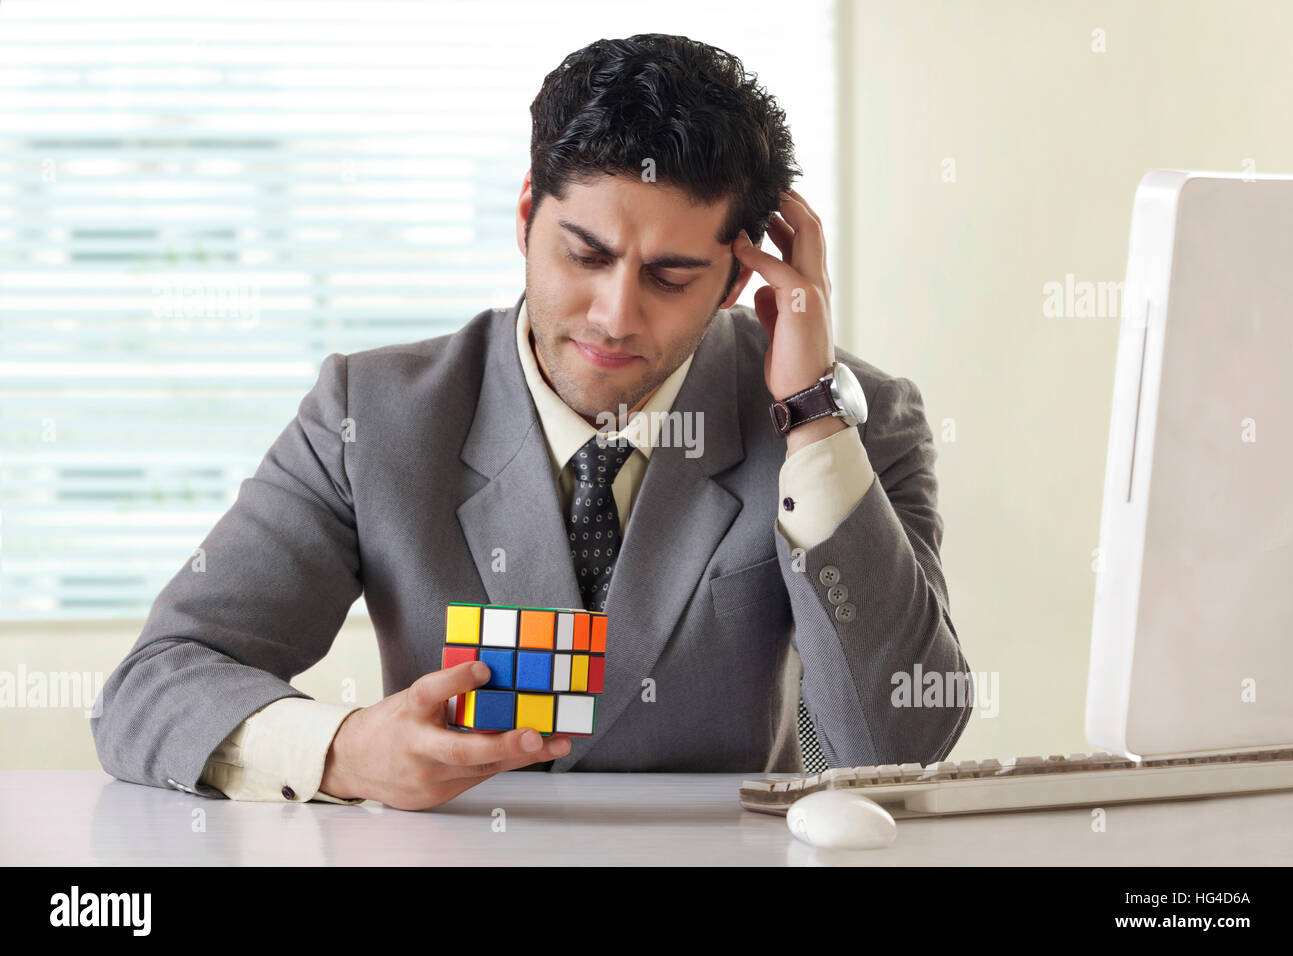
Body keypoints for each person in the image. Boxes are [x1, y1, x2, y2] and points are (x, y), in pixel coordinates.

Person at [92, 33, 972, 812]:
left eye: (670, 277)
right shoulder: (372, 415)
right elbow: (150, 689)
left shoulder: (851, 419)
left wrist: (812, 420)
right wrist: (348, 751)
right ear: (524, 218)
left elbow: (897, 745)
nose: (614, 316)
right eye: (584, 254)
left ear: (740, 284)